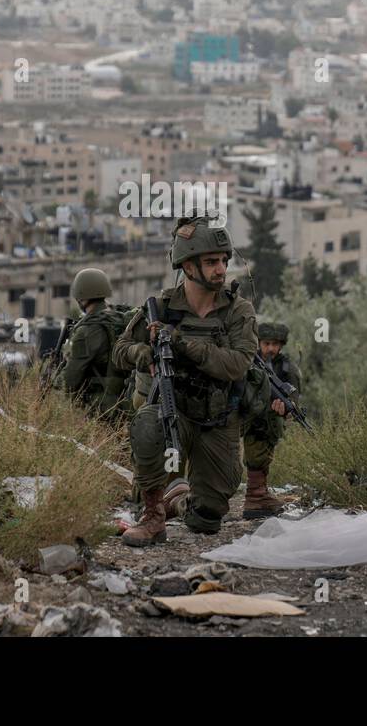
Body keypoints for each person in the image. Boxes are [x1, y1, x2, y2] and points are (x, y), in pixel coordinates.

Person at [112, 216, 257, 546]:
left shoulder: (238, 311)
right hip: (174, 411)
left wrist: (181, 344)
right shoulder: (161, 307)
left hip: (217, 419)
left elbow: (237, 364)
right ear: (188, 265)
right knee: (148, 424)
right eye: (211, 262)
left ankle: (178, 499)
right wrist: (143, 354)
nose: (220, 269)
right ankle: (153, 516)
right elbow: (119, 350)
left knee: (206, 519)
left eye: (223, 261)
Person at [239, 322, 302, 519]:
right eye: (266, 343)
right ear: (258, 343)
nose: (271, 349)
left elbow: (293, 395)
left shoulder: (286, 367)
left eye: (275, 344)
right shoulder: (247, 361)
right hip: (243, 414)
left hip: (266, 422)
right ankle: (254, 495)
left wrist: (286, 408)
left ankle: (258, 492)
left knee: (266, 431)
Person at [59, 267, 133, 424]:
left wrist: (55, 380)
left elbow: (70, 380)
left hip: (102, 407)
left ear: (81, 297)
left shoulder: (87, 330)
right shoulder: (119, 317)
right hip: (127, 399)